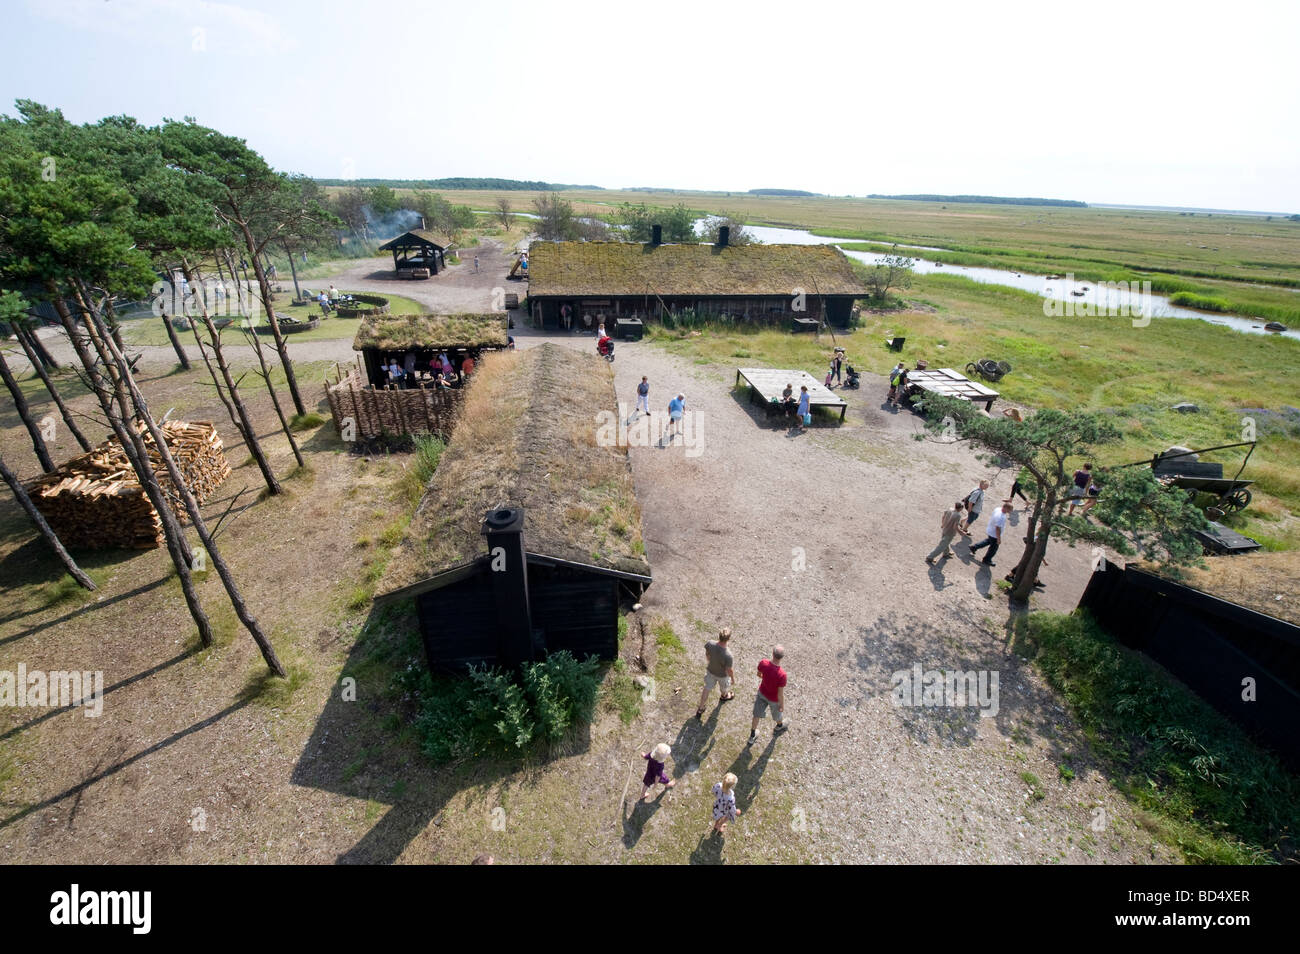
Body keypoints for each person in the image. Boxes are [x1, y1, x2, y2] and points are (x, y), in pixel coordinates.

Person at [748, 646, 787, 745]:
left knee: (756, 713)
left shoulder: (763, 663)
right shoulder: (782, 675)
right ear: (782, 657)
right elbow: (780, 693)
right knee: (777, 714)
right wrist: (782, 705)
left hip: (762, 693)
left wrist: (765, 678)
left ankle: (752, 735)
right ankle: (779, 725)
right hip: (773, 699)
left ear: (773, 654)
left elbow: (759, 674)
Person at [696, 627, 736, 719]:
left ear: (719, 636)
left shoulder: (710, 643)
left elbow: (707, 654)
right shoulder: (728, 655)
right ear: (729, 639)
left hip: (711, 671)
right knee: (724, 687)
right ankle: (724, 696)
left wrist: (710, 661)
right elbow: (729, 670)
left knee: (707, 688)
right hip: (722, 676)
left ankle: (700, 708)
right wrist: (733, 679)